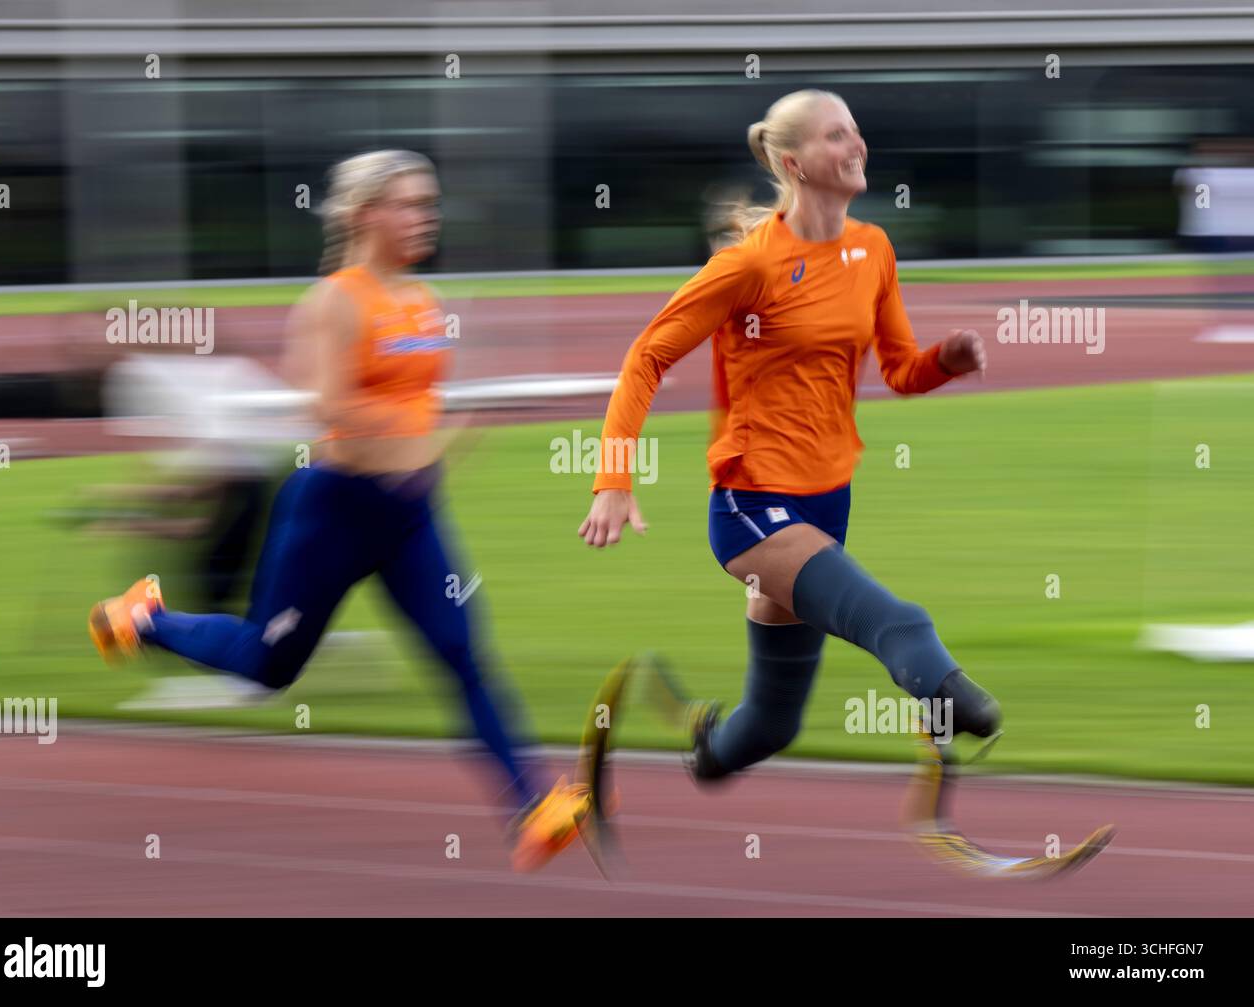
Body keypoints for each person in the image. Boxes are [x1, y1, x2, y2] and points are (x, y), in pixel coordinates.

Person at [88, 149, 589, 869]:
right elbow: (329, 405)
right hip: (334, 513)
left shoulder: (425, 302)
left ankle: (533, 806)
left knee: (462, 651)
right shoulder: (333, 302)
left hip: (411, 516)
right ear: (365, 214)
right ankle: (144, 619)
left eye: (431, 204)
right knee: (268, 665)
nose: (427, 217)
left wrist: (441, 440)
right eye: (411, 204)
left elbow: (419, 400)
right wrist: (411, 430)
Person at [578, 90, 1001, 784]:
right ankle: (948, 699)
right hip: (753, 507)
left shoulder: (873, 250)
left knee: (774, 722)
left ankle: (706, 750)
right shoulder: (748, 265)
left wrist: (944, 363)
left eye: (856, 131)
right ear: (794, 164)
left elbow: (899, 370)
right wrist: (613, 480)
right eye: (837, 136)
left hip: (829, 498)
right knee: (899, 623)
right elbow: (646, 356)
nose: (857, 145)